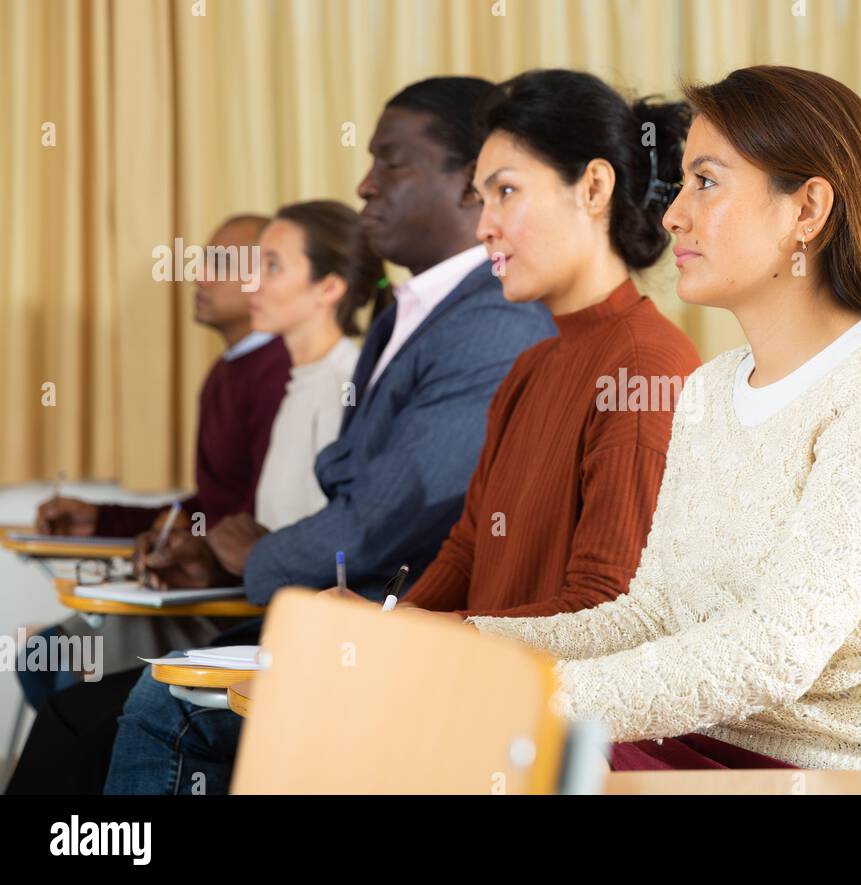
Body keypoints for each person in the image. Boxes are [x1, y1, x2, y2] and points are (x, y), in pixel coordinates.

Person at [103, 68, 702, 795]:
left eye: (506, 193)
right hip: (484, 674)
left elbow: (603, 607)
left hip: (535, 705)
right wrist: (382, 626)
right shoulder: (536, 361)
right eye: (482, 198)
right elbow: (468, 546)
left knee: (184, 718)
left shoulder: (645, 364)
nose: (483, 225)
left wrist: (411, 639)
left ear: (594, 189)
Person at [439, 65, 861, 771]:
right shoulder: (709, 389)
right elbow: (649, 616)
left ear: (807, 210)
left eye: (705, 181)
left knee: (484, 756)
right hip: (712, 749)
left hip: (852, 774)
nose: (674, 213)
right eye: (681, 183)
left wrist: (519, 699)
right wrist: (459, 651)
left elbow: (776, 651)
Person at [8, 76, 555, 795]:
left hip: (385, 619)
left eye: (392, 163)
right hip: (335, 606)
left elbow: (380, 516)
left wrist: (253, 555)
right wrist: (220, 551)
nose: (365, 185)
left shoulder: (488, 318)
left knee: (125, 709)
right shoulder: (402, 315)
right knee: (75, 701)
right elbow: (259, 505)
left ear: (470, 184)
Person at [17, 215, 292, 712]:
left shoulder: (283, 373)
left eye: (219, 263)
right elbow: (210, 507)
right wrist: (101, 519)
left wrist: (191, 550)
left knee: (60, 675)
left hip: (239, 604)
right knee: (37, 657)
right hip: (209, 583)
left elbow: (255, 523)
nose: (199, 275)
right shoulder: (227, 372)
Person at [248, 200, 383, 530]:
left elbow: (341, 532)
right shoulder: (303, 380)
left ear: (329, 288)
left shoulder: (344, 388)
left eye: (272, 267)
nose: (250, 283)